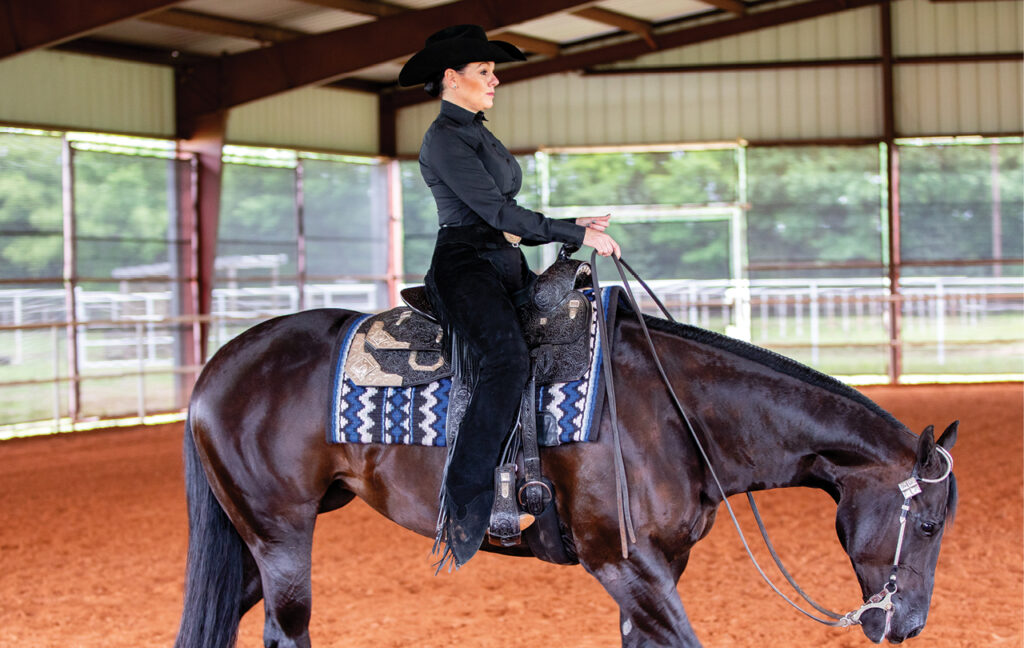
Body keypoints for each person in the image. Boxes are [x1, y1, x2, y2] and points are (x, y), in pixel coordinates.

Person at [399, 24, 621, 569]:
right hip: (466, 265)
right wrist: (577, 235)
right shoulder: (446, 137)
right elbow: (496, 215)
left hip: (502, 262)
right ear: (452, 79)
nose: (495, 79)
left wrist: (570, 222)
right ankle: (467, 496)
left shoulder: (476, 131)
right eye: (484, 71)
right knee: (506, 358)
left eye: (493, 71)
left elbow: (507, 216)